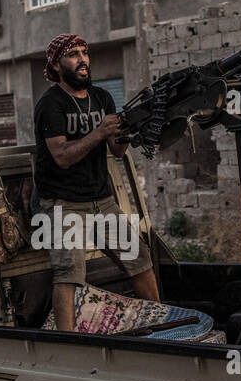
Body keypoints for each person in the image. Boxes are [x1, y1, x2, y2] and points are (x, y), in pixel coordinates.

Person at [33, 33, 159, 331]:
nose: (82, 60)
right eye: (73, 54)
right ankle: (67, 346)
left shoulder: (102, 97)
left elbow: (116, 149)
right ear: (57, 64)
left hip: (101, 199)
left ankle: (160, 328)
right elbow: (61, 156)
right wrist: (100, 132)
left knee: (140, 260)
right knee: (69, 275)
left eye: (84, 53)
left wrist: (129, 128)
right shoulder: (50, 105)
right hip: (62, 203)